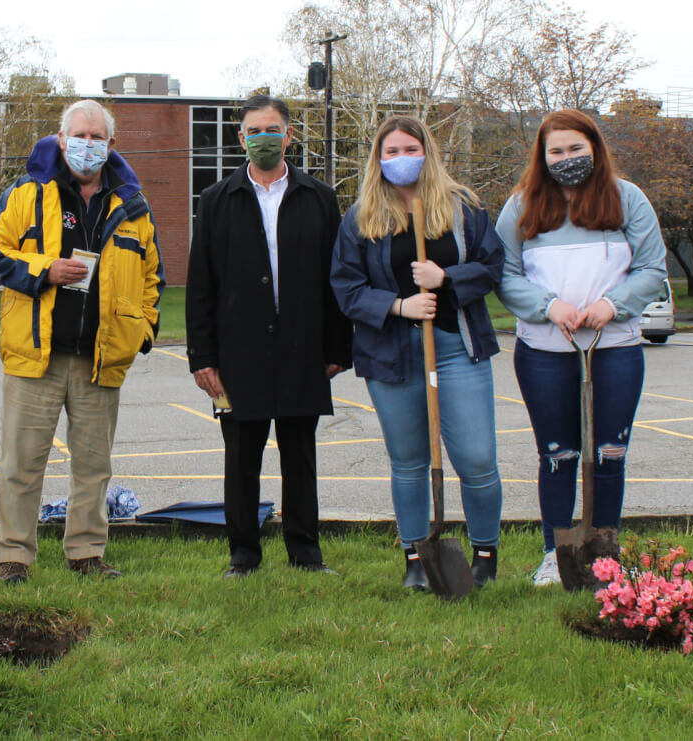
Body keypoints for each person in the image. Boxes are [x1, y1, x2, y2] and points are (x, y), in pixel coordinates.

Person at [0, 100, 164, 584]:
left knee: (93, 467)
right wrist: (45, 271)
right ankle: (13, 559)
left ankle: (86, 553)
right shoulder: (27, 193)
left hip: (100, 360)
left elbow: (153, 277)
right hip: (34, 356)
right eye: (78, 135)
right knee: (21, 466)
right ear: (61, 140)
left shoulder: (133, 206)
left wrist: (141, 333)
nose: (87, 144)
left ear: (110, 144)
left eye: (96, 137)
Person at [330, 115, 506, 590]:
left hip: (456, 348)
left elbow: (493, 266)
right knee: (408, 460)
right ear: (378, 159)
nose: (401, 159)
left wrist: (447, 278)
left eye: (410, 149)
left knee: (476, 457)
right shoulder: (361, 216)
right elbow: (345, 286)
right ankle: (415, 558)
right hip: (392, 354)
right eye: (391, 152)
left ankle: (485, 555)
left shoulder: (462, 208)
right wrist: (399, 304)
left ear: (427, 152)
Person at [494, 109, 667, 587]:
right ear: (542, 156)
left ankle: (605, 554)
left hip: (614, 349)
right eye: (556, 151)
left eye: (576, 148)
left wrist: (615, 304)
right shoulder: (522, 205)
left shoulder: (627, 199)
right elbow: (503, 274)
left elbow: (653, 268)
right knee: (558, 455)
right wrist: (548, 306)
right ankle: (557, 553)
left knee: (610, 452)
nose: (566, 158)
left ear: (594, 147)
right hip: (545, 352)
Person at [187, 94, 350, 578]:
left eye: (272, 129)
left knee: (300, 455)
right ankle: (243, 555)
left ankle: (305, 552)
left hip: (303, 351)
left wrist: (337, 348)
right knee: (241, 458)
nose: (263, 138)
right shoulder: (217, 200)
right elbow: (201, 285)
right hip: (239, 355)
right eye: (253, 131)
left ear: (289, 135)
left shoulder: (319, 198)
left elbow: (335, 278)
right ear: (241, 139)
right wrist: (202, 356)